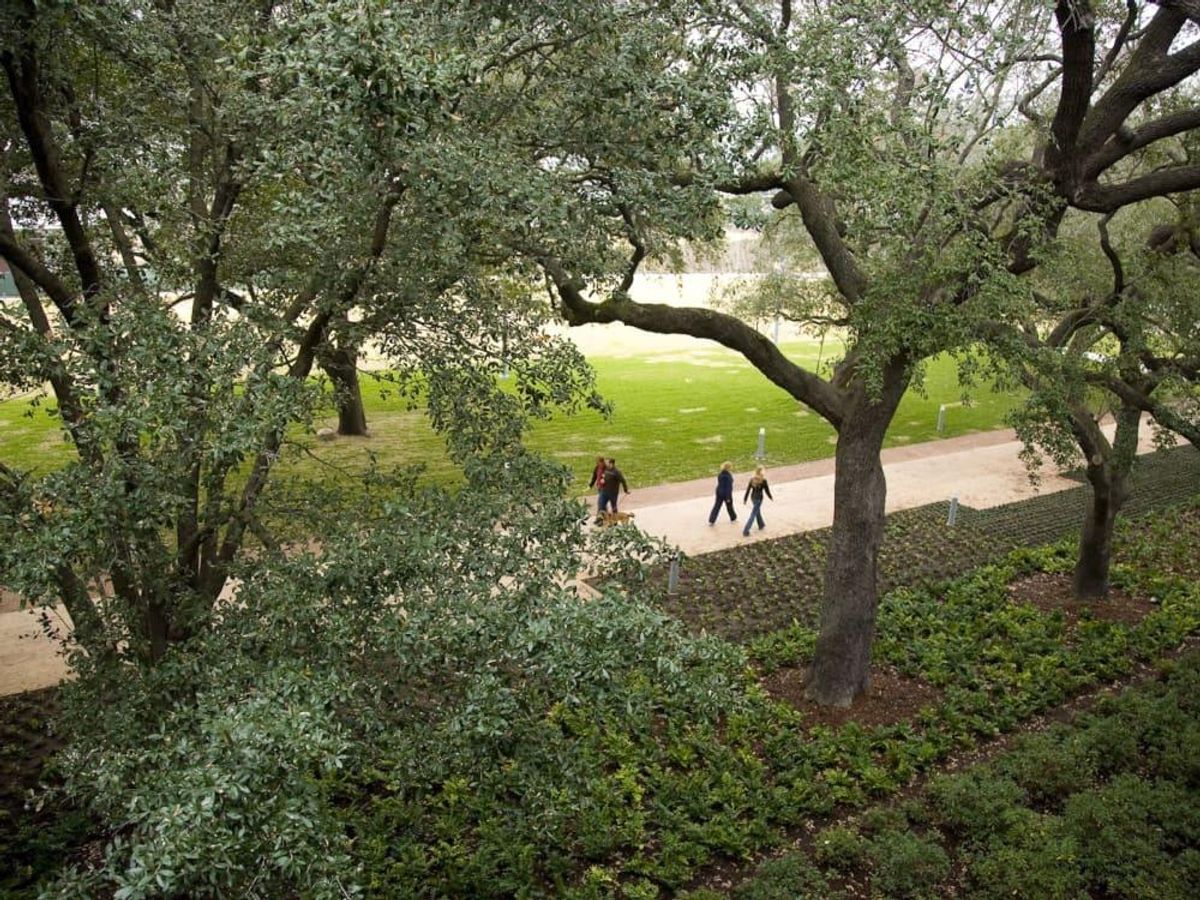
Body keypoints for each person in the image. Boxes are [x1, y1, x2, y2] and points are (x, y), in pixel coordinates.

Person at [742, 466, 773, 536]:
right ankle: (746, 530)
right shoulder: (763, 480)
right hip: (759, 499)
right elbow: (767, 490)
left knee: (757, 511)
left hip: (753, 497)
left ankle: (761, 524)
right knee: (753, 514)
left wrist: (745, 499)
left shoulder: (752, 479)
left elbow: (748, 490)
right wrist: (770, 497)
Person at [708, 461, 737, 525]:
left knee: (717, 506)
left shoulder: (720, 474)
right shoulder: (728, 476)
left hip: (719, 492)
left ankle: (711, 520)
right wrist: (728, 497)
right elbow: (728, 487)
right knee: (729, 506)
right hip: (726, 493)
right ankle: (733, 518)